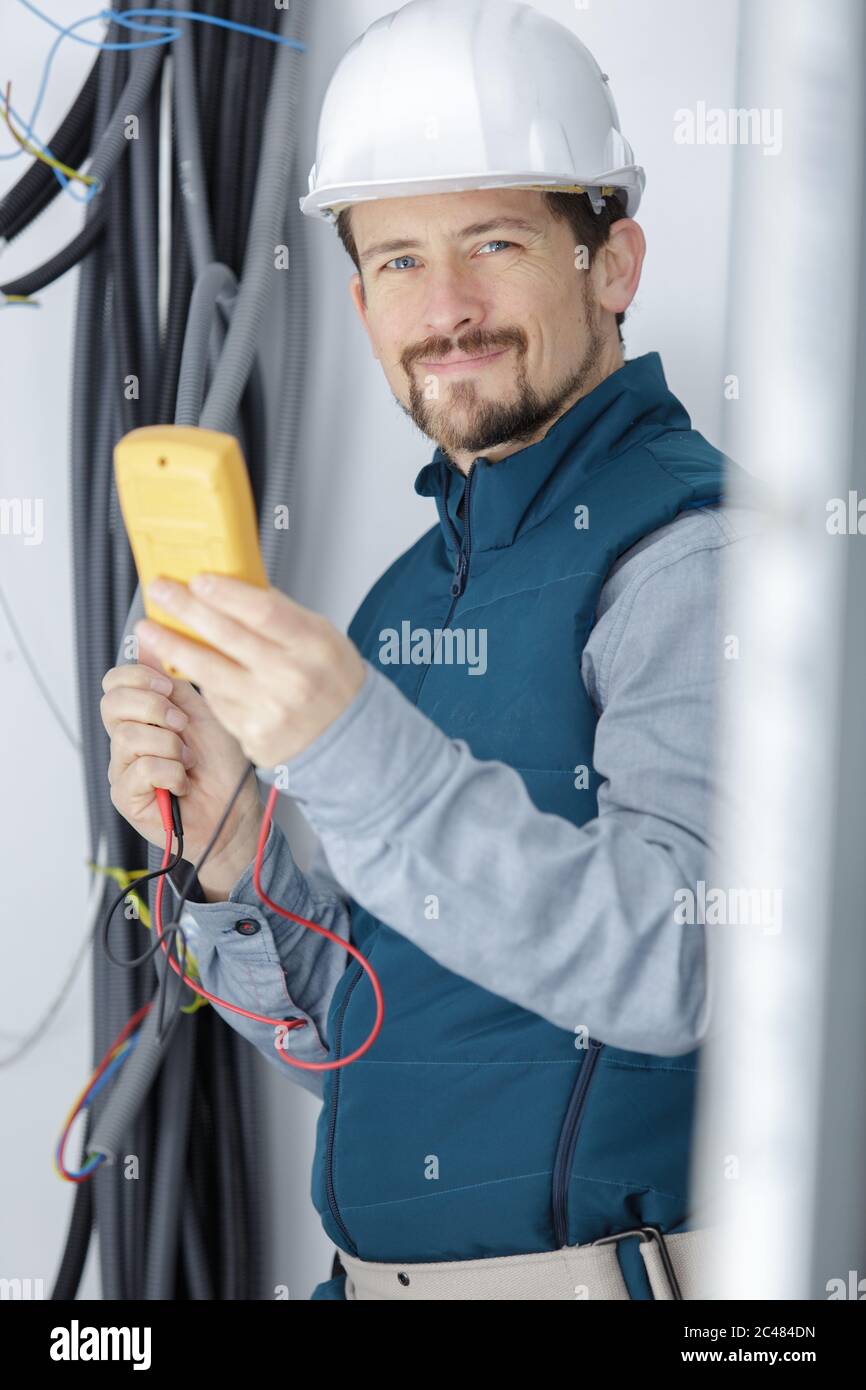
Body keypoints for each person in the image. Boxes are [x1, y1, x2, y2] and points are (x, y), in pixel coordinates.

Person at [100, 0, 764, 1299]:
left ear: (611, 262)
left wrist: (353, 746)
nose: (445, 307)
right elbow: (369, 1036)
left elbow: (688, 963)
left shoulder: (700, 555)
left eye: (495, 242)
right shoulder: (404, 598)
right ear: (356, 300)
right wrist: (237, 859)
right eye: (397, 260)